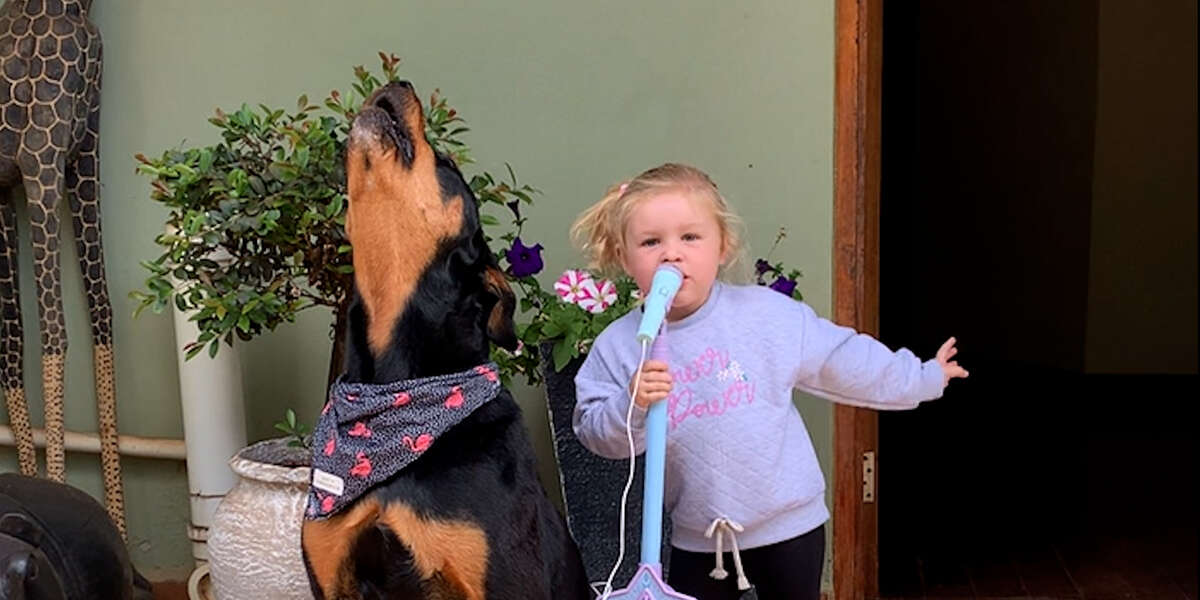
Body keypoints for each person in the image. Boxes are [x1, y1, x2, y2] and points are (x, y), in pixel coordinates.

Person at [570, 162, 968, 600]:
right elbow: (593, 431)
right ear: (625, 258)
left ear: (723, 245)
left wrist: (923, 376)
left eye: (690, 237)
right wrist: (633, 402)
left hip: (790, 527)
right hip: (700, 538)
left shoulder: (766, 317)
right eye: (650, 242)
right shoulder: (622, 344)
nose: (671, 254)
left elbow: (844, 359)